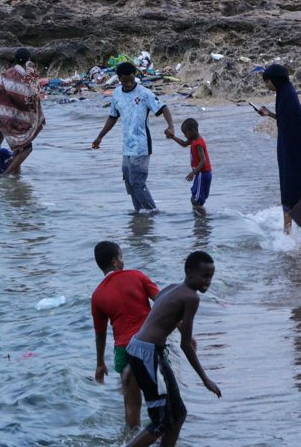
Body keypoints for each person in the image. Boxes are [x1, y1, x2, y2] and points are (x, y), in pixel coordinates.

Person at [123, 251, 222, 447]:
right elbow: (186, 345)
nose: (208, 281)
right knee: (161, 422)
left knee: (178, 414)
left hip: (142, 350)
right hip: (148, 353)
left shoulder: (171, 288)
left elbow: (154, 321)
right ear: (189, 272)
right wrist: (205, 379)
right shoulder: (191, 298)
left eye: (211, 276)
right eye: (204, 276)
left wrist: (132, 362)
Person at [91, 240, 160, 431]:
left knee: (132, 408)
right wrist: (182, 329)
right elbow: (162, 302)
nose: (123, 262)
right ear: (114, 261)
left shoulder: (97, 295)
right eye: (121, 257)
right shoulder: (136, 276)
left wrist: (100, 364)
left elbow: (100, 333)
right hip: (149, 344)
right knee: (162, 402)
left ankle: (129, 441)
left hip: (124, 350)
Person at [249, 64, 301, 233]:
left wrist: (289, 149)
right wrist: (269, 114)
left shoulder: (288, 96)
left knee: (290, 186)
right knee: (291, 184)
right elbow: (286, 119)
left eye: (268, 82)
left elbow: (292, 123)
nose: (266, 85)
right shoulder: (284, 93)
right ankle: (291, 232)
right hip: (288, 145)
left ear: (277, 79)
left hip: (293, 147)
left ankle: (288, 235)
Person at [91, 61, 175, 212]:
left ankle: (153, 212)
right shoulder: (116, 94)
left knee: (138, 184)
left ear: (135, 77)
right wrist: (100, 137)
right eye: (125, 81)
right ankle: (139, 215)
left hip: (141, 146)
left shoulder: (144, 93)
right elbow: (112, 117)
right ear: (118, 79)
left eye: (131, 80)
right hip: (127, 147)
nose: (129, 83)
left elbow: (163, 107)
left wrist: (170, 126)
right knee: (129, 184)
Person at [0, 47, 44, 174]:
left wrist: (6, 106)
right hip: (22, 118)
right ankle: (6, 173)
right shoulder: (28, 75)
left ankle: (16, 176)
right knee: (28, 148)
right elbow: (31, 95)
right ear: (29, 59)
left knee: (18, 148)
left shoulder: (8, 74)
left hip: (10, 116)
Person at [165, 118, 213, 213]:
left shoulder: (198, 143)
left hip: (202, 174)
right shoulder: (193, 139)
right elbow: (183, 144)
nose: (185, 136)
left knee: (196, 201)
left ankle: (204, 219)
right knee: (194, 199)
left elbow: (203, 161)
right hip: (200, 174)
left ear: (193, 131)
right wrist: (173, 137)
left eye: (186, 134)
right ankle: (198, 220)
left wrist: (193, 173)